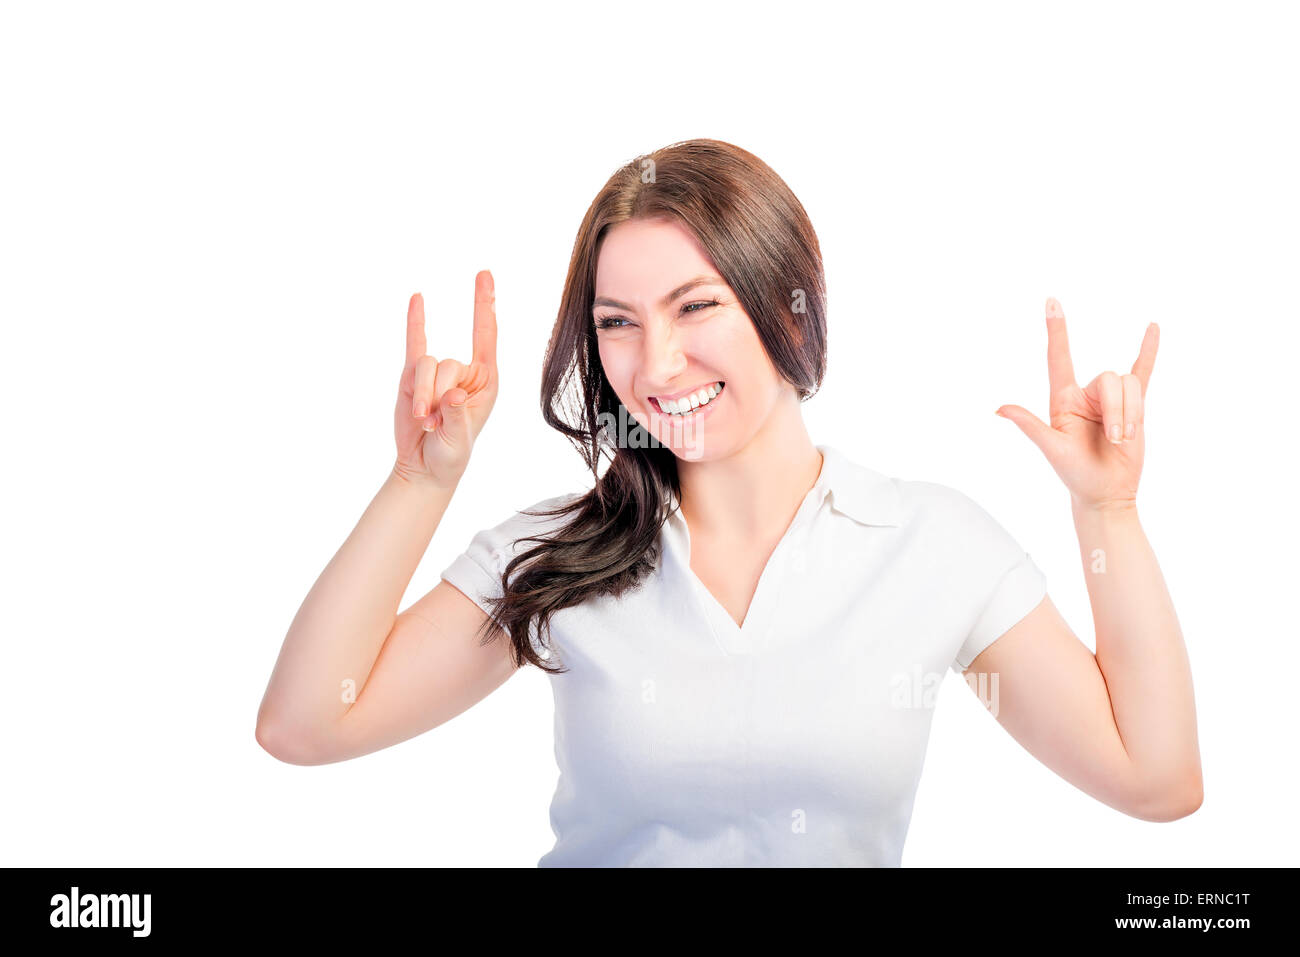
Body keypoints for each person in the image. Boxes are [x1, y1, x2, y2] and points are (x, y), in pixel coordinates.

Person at [255, 138, 1202, 867]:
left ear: (789, 307)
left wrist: (1108, 513)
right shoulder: (562, 551)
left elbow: (1156, 781)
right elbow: (306, 724)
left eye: (695, 306)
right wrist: (422, 479)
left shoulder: (929, 544)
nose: (656, 365)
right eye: (617, 324)